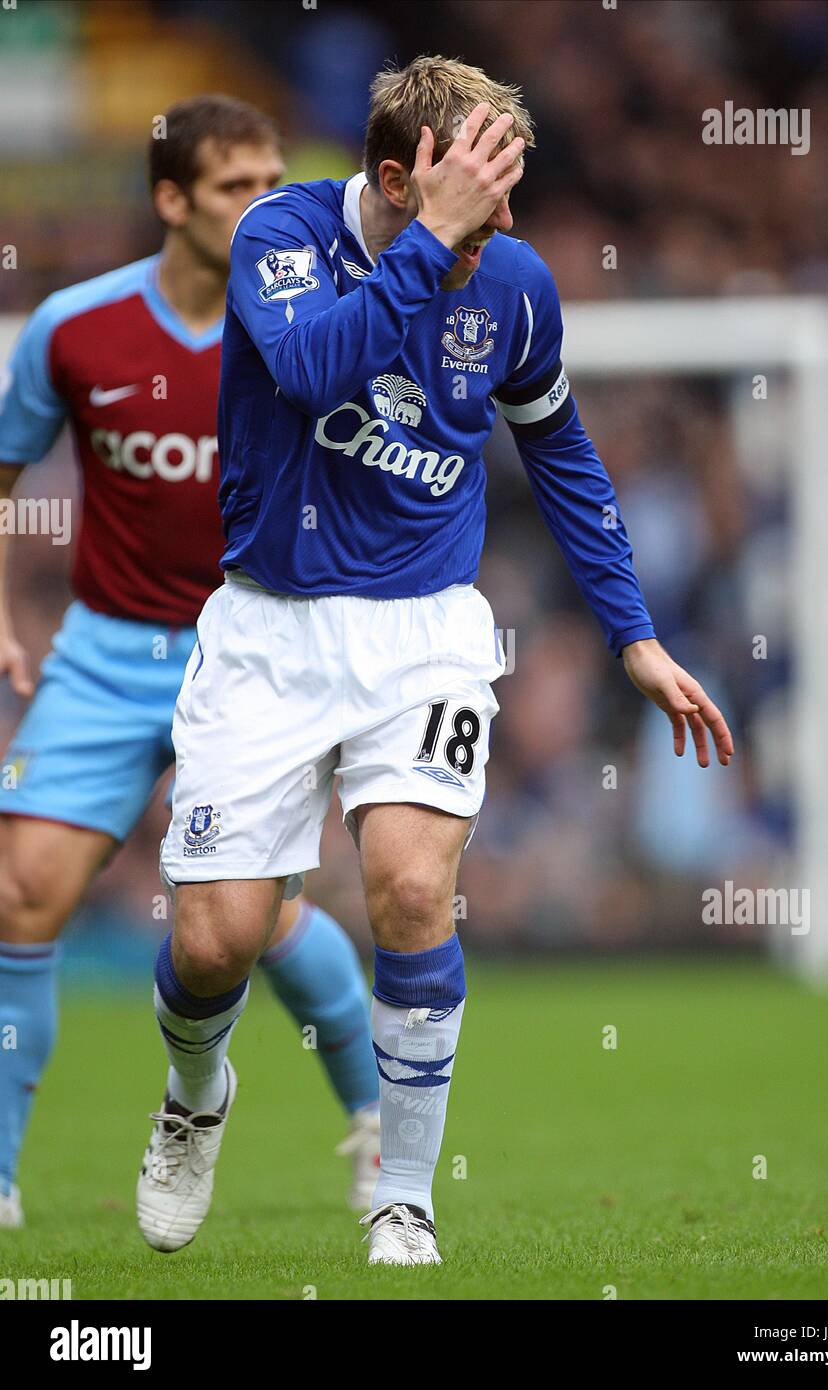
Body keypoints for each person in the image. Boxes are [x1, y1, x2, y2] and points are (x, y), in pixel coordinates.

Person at [143, 58, 734, 1266]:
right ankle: (195, 1094)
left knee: (411, 888)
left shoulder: (509, 283)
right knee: (214, 942)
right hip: (269, 628)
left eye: (509, 189)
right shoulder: (281, 235)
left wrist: (634, 632)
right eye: (477, 189)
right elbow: (315, 373)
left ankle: (403, 1194)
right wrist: (434, 241)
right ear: (396, 176)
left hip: (423, 631)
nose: (502, 222)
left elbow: (559, 450)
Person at [0, 95, 380, 1234]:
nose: (267, 202)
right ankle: (4, 1176)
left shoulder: (316, 324)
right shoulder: (73, 328)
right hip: (110, 648)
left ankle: (375, 1129)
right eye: (236, 186)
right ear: (172, 200)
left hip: (257, 653)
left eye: (278, 179)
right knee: (20, 896)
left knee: (246, 926)